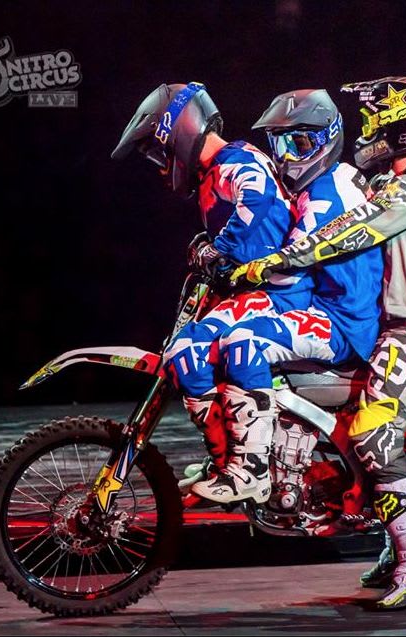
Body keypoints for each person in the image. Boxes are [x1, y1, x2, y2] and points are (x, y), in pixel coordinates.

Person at [233, 77, 406, 610]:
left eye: (374, 118)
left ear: (402, 129)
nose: (365, 128)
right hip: (386, 325)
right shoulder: (382, 179)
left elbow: (353, 230)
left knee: (376, 437)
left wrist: (283, 259)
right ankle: (393, 543)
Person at [189, 88, 386, 507]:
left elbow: (288, 264)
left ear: (328, 138)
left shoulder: (329, 195)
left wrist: (230, 264)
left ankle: (251, 470)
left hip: (342, 321)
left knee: (244, 342)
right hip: (325, 308)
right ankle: (243, 453)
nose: (286, 157)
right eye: (278, 145)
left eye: (298, 144)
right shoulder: (324, 182)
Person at [111, 82, 307, 504]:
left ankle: (248, 469)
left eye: (156, 152)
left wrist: (220, 249)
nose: (158, 165)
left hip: (279, 291)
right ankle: (228, 460)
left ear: (176, 130)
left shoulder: (236, 160)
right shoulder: (215, 171)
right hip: (255, 292)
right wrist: (210, 248)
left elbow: (257, 198)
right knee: (184, 354)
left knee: (187, 350)